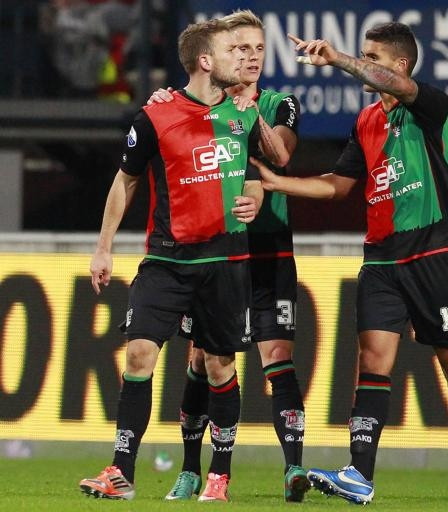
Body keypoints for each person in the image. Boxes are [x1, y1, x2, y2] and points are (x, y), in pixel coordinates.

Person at [252, 22, 448, 506]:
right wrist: (275, 183)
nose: (364, 63)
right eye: (361, 56)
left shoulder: (430, 106)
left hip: (435, 251)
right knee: (372, 362)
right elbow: (337, 185)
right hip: (381, 259)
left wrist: (336, 59)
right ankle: (359, 474)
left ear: (400, 64)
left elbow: (398, 87)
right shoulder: (366, 123)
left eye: (372, 56)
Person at [78, 18, 263, 502]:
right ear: (206, 61)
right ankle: (121, 472)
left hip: (225, 260)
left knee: (220, 366)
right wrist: (104, 246)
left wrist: (256, 193)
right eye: (231, 50)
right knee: (138, 354)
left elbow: (254, 170)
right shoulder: (155, 115)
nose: (242, 57)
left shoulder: (244, 114)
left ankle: (218, 477)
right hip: (167, 259)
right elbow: (127, 180)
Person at [148, 9, 309, 503]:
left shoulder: (281, 103)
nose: (251, 57)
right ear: (218, 56)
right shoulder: (198, 109)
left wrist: (247, 108)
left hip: (269, 247)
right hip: (215, 250)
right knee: (202, 358)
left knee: (276, 354)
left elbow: (281, 153)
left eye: (259, 49)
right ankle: (195, 469)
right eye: (240, 49)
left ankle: (294, 470)